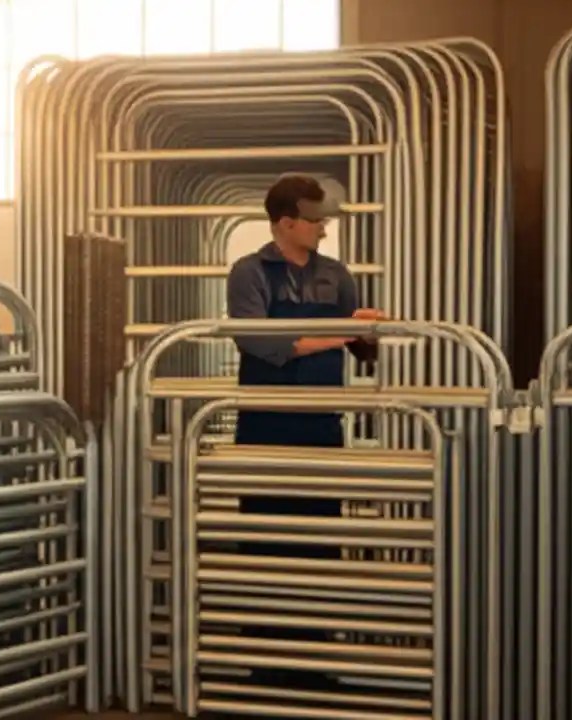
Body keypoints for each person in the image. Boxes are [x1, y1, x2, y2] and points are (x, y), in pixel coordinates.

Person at [224, 173, 383, 691]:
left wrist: (368, 328)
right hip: (265, 427)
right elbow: (264, 344)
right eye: (316, 220)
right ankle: (265, 669)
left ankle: (314, 666)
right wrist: (344, 330)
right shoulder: (248, 273)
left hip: (321, 425)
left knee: (319, 545)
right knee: (266, 545)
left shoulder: (336, 274)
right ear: (285, 222)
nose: (324, 229)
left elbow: (361, 348)